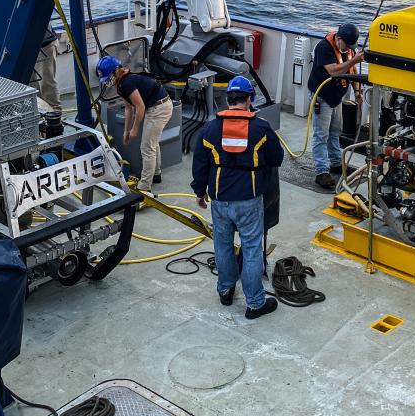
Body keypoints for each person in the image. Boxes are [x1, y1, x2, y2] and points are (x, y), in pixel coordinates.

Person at [190, 75, 284, 319]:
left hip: (219, 199)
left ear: (227, 99)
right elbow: (277, 158)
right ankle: (255, 304)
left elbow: (200, 163)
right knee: (251, 249)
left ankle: (225, 290)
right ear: (249, 99)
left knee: (222, 245)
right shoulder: (260, 128)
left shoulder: (210, 128)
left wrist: (200, 192)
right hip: (249, 199)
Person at [97, 55, 173, 192]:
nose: (108, 81)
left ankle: (144, 187)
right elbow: (128, 107)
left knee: (146, 147)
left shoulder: (127, 82)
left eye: (109, 76)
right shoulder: (121, 84)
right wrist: (127, 130)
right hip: (157, 106)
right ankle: (156, 174)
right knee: (152, 143)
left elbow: (140, 107)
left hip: (159, 108)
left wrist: (135, 129)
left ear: (116, 71)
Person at [308, 23, 365, 189]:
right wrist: (354, 59)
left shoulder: (348, 50)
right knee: (321, 135)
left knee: (335, 132)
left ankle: (335, 163)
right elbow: (333, 71)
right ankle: (321, 172)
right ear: (338, 39)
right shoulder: (323, 48)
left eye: (351, 47)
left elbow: (352, 70)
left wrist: (357, 91)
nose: (348, 49)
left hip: (337, 98)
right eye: (346, 45)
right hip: (322, 97)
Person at [31, 26, 61, 112]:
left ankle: (56, 115)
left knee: (46, 85)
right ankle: (39, 114)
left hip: (45, 45)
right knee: (30, 88)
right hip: (26, 46)